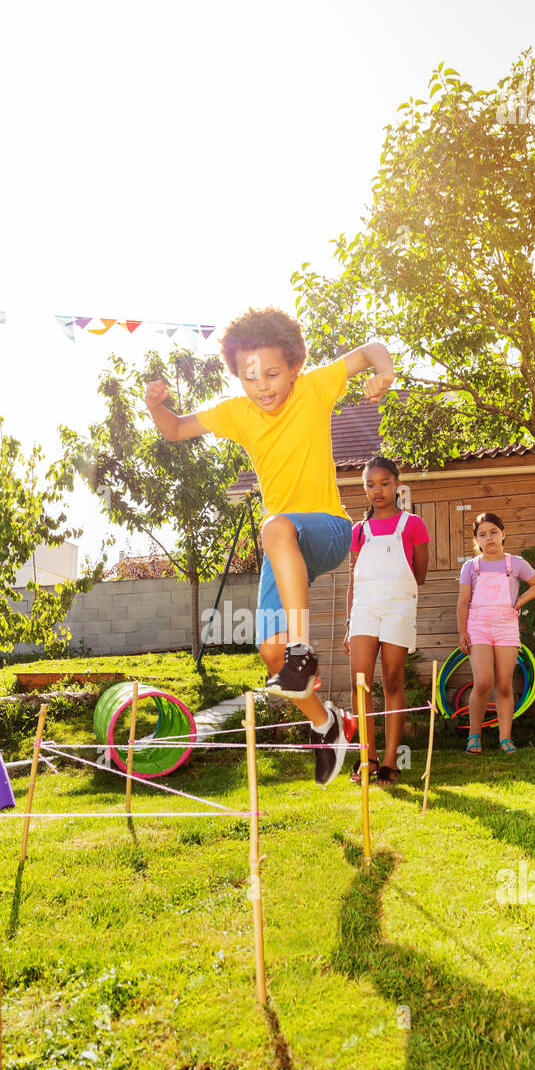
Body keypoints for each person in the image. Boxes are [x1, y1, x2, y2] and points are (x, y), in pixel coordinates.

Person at [144, 306, 396, 786]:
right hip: (285, 551)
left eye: (273, 374)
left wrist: (383, 371)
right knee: (269, 652)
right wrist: (156, 405)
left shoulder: (316, 386)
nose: (262, 387)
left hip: (326, 530)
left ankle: (304, 650)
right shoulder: (237, 413)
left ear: (295, 365)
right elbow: (175, 428)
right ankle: (328, 725)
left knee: (276, 526)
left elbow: (369, 351)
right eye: (249, 377)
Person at [344, 456, 430, 785]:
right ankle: (367, 757)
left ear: (396, 484)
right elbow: (354, 579)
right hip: (364, 609)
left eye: (383, 483)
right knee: (360, 682)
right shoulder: (358, 530)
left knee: (393, 679)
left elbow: (419, 575)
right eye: (370, 484)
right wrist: (349, 624)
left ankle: (390, 762)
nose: (376, 490)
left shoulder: (413, 525)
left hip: (398, 607)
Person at [456, 512, 535, 753]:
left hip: (506, 627)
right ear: (477, 539)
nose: (489, 538)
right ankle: (474, 736)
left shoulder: (515, 563)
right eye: (483, 535)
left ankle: (505, 738)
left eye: (494, 532)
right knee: (483, 681)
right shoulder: (471, 566)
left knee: (504, 684)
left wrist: (518, 601)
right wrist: (462, 632)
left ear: (503, 534)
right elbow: (463, 602)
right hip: (478, 626)